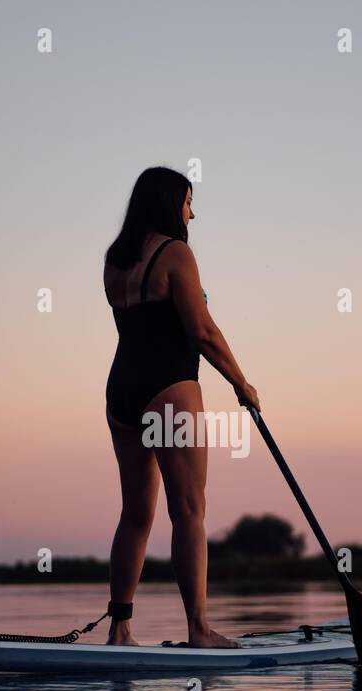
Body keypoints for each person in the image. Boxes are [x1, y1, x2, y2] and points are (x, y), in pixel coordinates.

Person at [102, 167, 259, 648]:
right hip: (170, 388)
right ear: (170, 203)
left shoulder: (115, 258)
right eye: (189, 201)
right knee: (189, 511)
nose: (193, 212)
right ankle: (198, 631)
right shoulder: (176, 254)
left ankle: (120, 630)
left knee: (135, 515)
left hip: (122, 391)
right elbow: (202, 331)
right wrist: (242, 383)